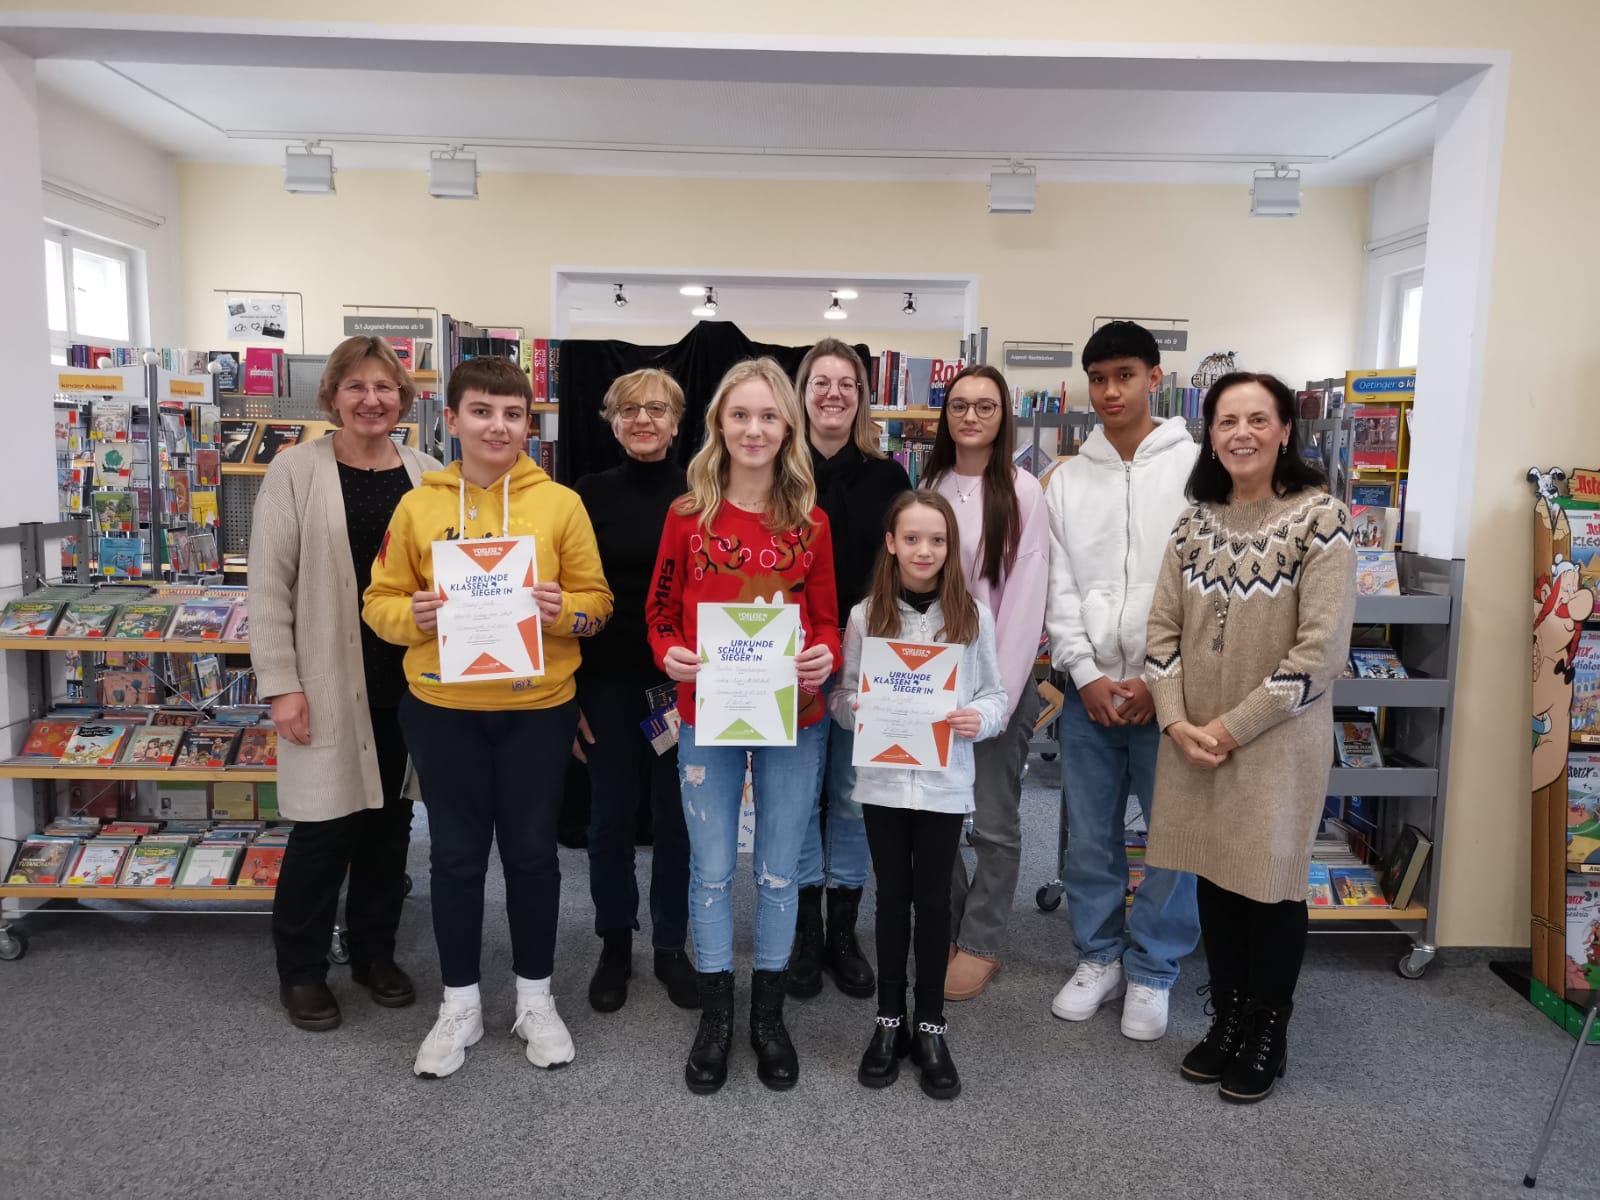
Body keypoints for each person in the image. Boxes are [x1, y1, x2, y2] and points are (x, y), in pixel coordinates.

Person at [363, 356, 613, 1080]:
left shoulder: (559, 505)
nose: (496, 426)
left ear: (528, 425)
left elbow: (598, 602)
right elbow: (377, 602)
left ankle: (535, 999)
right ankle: (461, 1003)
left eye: (511, 414)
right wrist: (408, 616)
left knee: (535, 855)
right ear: (452, 419)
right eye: (481, 411)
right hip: (443, 710)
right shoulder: (418, 506)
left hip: (539, 710)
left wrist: (567, 610)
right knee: (455, 858)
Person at [1142, 370, 1355, 1104]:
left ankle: (1268, 1027)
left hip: (1274, 742)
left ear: (1286, 430)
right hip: (1192, 735)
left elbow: (1320, 654)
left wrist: (1230, 729)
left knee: (1269, 886)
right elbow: (1161, 632)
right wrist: (1174, 719)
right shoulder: (1193, 522)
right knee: (1212, 875)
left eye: (1258, 420)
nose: (1242, 434)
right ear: (1210, 432)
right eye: (1227, 420)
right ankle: (1227, 1018)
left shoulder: (1320, 520)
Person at [646, 357, 840, 1094]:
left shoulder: (811, 521)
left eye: (767, 416)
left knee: (781, 869)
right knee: (712, 869)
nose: (753, 429)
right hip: (707, 715)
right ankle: (717, 1014)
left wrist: (824, 654)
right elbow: (660, 612)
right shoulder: (686, 517)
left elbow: (823, 617)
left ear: (786, 424)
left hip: (795, 715)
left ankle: (769, 1015)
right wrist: (673, 656)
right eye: (740, 415)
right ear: (718, 424)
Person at [250, 334, 440, 1033]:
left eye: (384, 387)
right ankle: (300, 972)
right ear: (333, 397)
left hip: (409, 682)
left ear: (403, 398)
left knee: (391, 829)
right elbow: (270, 587)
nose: (371, 399)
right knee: (324, 832)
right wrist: (281, 684)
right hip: (328, 678)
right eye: (356, 387)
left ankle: (373, 955)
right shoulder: (296, 472)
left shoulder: (427, 471)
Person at [1042, 321, 1201, 1042]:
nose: (1111, 391)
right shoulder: (1067, 479)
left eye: (1125, 376)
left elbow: (1206, 588)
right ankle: (1098, 956)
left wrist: (1158, 679)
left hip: (1172, 696)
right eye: (1099, 378)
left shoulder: (1201, 472)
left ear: (1154, 378)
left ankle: (1154, 967)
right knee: (1089, 839)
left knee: (1173, 837)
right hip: (1090, 694)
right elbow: (1059, 587)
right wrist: (1086, 672)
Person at [832, 491, 1008, 1100]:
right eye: (912, 538)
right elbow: (840, 695)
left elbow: (996, 698)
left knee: (933, 903)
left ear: (949, 547)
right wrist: (857, 710)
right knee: (891, 899)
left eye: (936, 540)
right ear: (891, 544)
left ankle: (930, 1024)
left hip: (941, 784)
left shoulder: (973, 618)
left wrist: (975, 720)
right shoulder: (864, 617)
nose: (924, 550)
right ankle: (888, 1024)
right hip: (882, 782)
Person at [572, 368, 696, 1013]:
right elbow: (564, 594)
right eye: (627, 410)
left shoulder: (702, 495)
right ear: (611, 422)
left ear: (678, 422)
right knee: (610, 819)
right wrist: (566, 699)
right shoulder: (584, 494)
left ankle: (671, 946)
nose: (642, 420)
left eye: (656, 409)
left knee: (679, 822)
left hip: (682, 685)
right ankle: (615, 942)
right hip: (606, 683)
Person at [790, 337, 911, 1001]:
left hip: (870, 657)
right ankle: (807, 929)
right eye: (821, 383)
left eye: (847, 384)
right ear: (802, 393)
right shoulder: (778, 470)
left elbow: (900, 568)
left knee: (852, 794)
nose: (834, 394)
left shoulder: (889, 477)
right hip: (797, 660)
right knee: (800, 794)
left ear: (862, 397)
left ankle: (844, 928)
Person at [923, 364, 1049, 1000]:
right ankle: (951, 924)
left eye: (986, 407)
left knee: (993, 821)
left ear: (1004, 418)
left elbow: (1025, 604)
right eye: (960, 405)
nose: (971, 417)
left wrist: (996, 698)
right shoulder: (931, 482)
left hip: (998, 679)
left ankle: (983, 940)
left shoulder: (1023, 492)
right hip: (931, 679)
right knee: (937, 814)